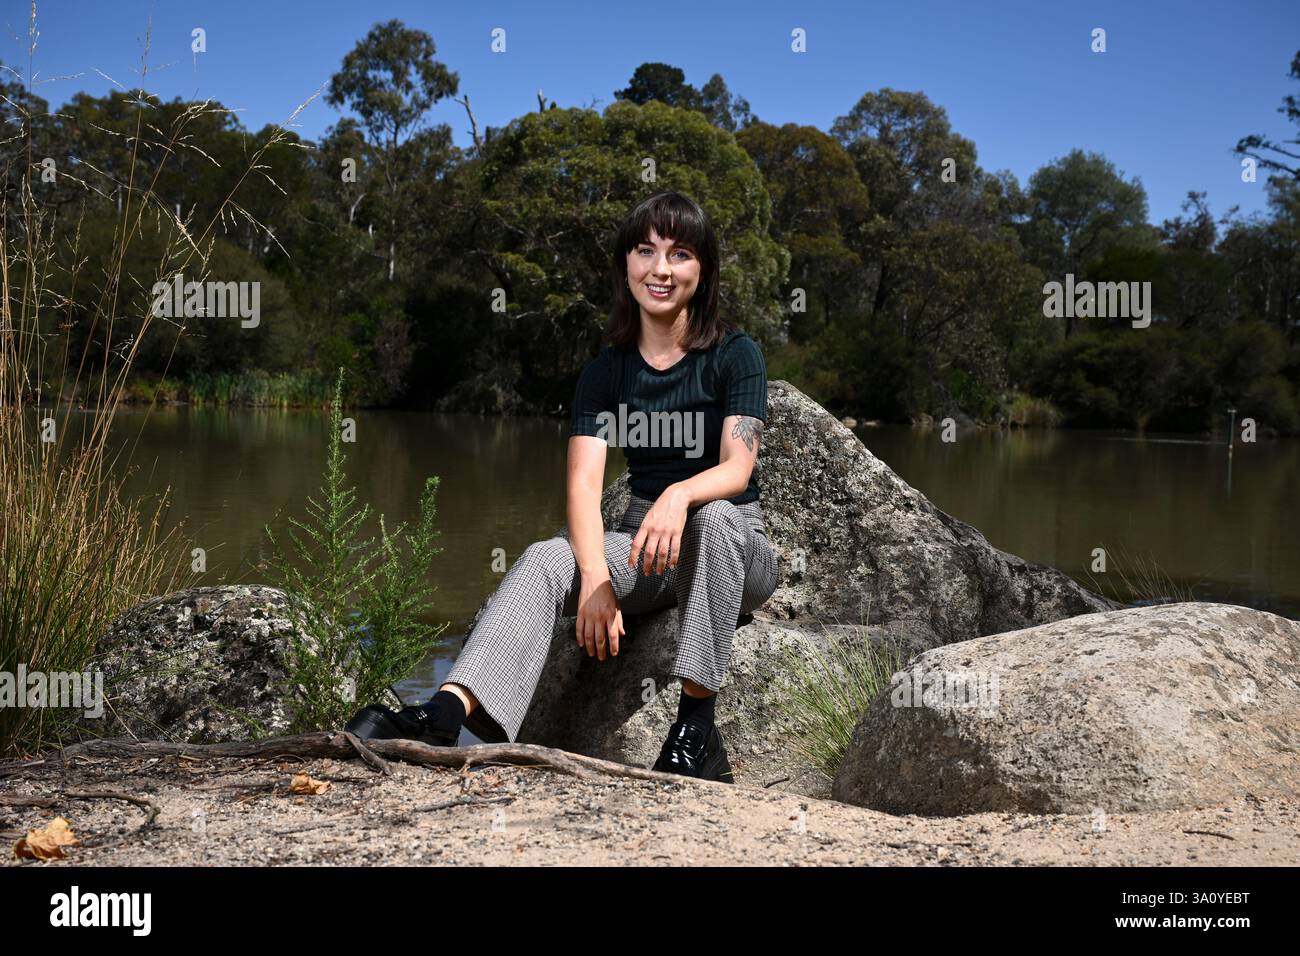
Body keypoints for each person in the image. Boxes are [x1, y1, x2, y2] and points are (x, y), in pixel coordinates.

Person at [345, 190, 779, 781]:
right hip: (643, 548)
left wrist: (680, 494)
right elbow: (582, 487)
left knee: (717, 518)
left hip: (734, 543)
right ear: (626, 264)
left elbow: (737, 468)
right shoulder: (606, 373)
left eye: (679, 254)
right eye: (645, 251)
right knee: (548, 559)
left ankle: (694, 730)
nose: (660, 269)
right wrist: (597, 578)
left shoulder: (735, 354)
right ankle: (443, 716)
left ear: (702, 271)